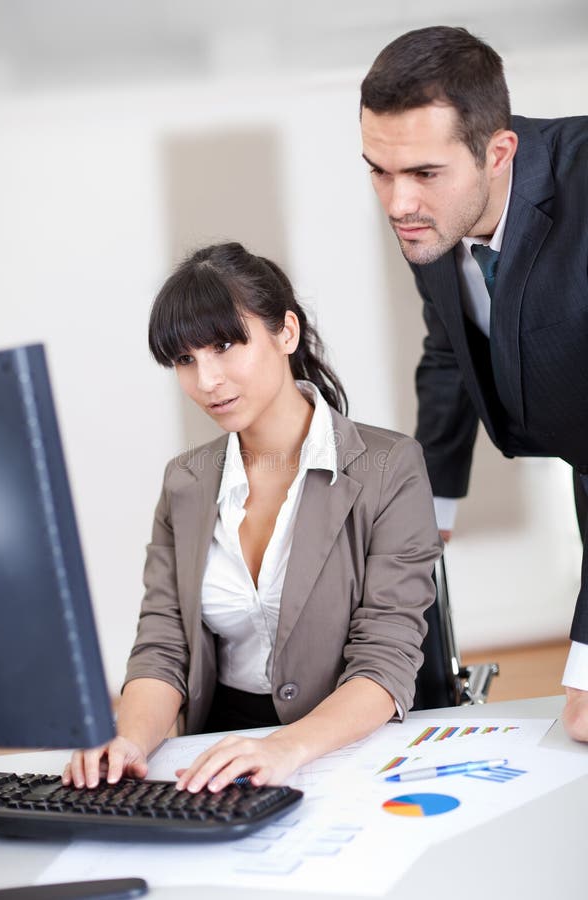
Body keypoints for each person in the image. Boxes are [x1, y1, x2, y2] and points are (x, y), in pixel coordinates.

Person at [63, 241, 441, 792]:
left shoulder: (389, 467)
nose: (206, 380)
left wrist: (285, 748)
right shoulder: (185, 481)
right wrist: (131, 740)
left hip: (342, 745)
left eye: (223, 346)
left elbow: (385, 657)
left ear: (286, 332)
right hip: (214, 754)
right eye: (185, 360)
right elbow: (163, 646)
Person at [359, 25, 588, 740]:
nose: (397, 203)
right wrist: (426, 507)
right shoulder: (432, 215)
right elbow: (451, 349)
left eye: (424, 173)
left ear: (498, 152)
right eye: (378, 171)